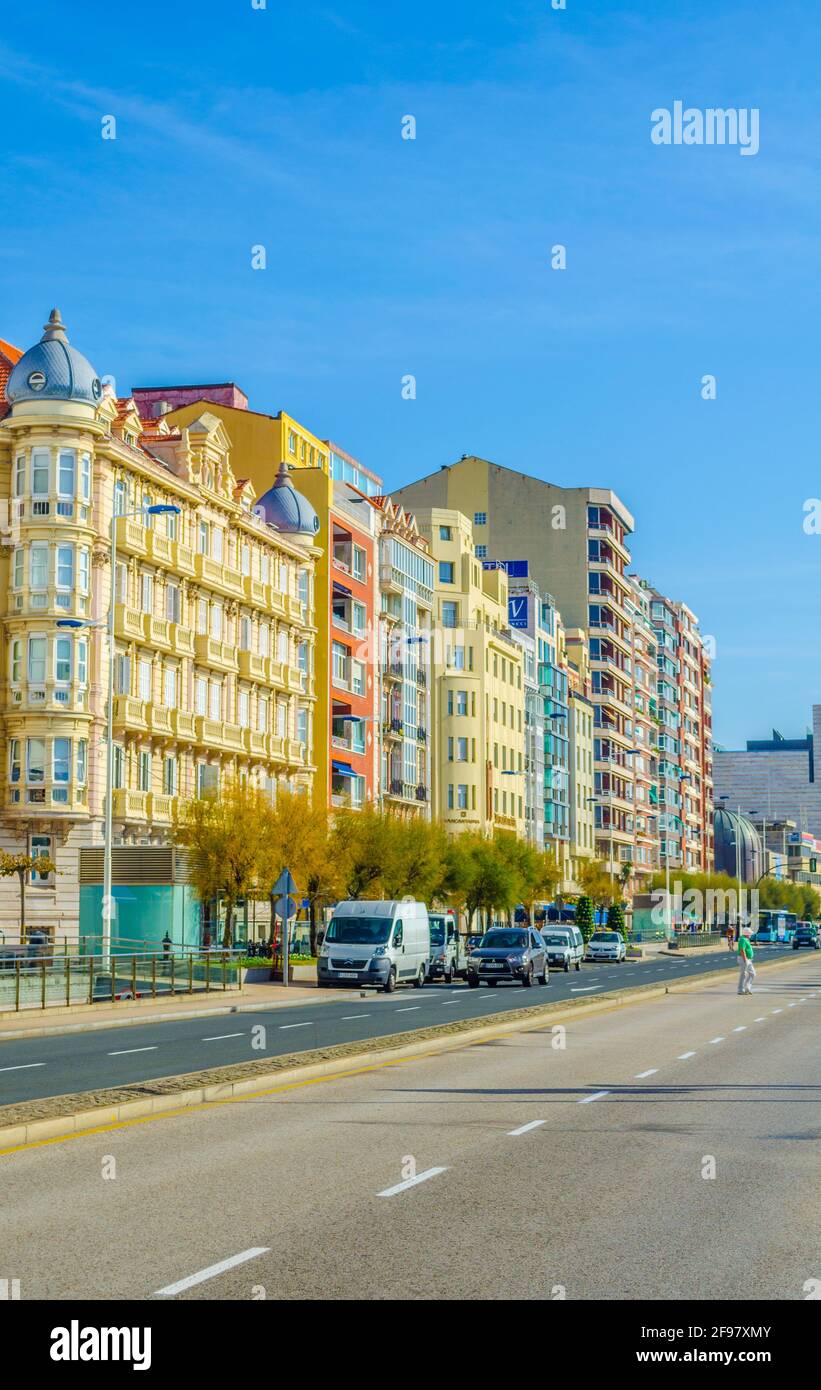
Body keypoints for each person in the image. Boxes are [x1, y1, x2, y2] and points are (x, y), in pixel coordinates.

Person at [736, 930, 755, 995]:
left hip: (748, 959)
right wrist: (745, 960)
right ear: (747, 934)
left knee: (752, 973)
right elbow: (742, 950)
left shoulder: (746, 939)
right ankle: (740, 990)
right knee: (743, 974)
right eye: (750, 934)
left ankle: (747, 988)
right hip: (743, 959)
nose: (750, 935)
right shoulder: (743, 939)